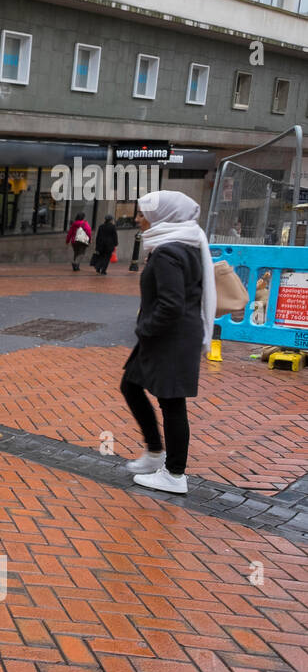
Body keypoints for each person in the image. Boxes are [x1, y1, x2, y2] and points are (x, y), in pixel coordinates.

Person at [121, 191, 215, 496]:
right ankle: (155, 454)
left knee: (172, 404)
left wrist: (145, 328)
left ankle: (174, 474)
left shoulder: (168, 251)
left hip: (169, 338)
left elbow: (172, 304)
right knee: (131, 384)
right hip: (170, 336)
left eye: (141, 213)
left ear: (161, 216)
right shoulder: (183, 242)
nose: (137, 218)